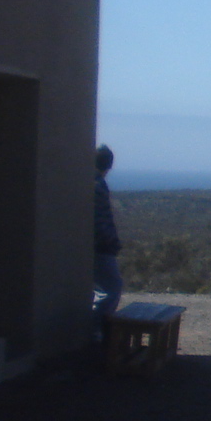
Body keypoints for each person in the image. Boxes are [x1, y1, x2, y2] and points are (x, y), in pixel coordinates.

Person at [92, 144, 122, 336]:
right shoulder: (97, 186)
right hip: (101, 247)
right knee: (112, 287)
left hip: (97, 246)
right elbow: (100, 220)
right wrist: (111, 241)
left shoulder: (94, 183)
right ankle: (98, 330)